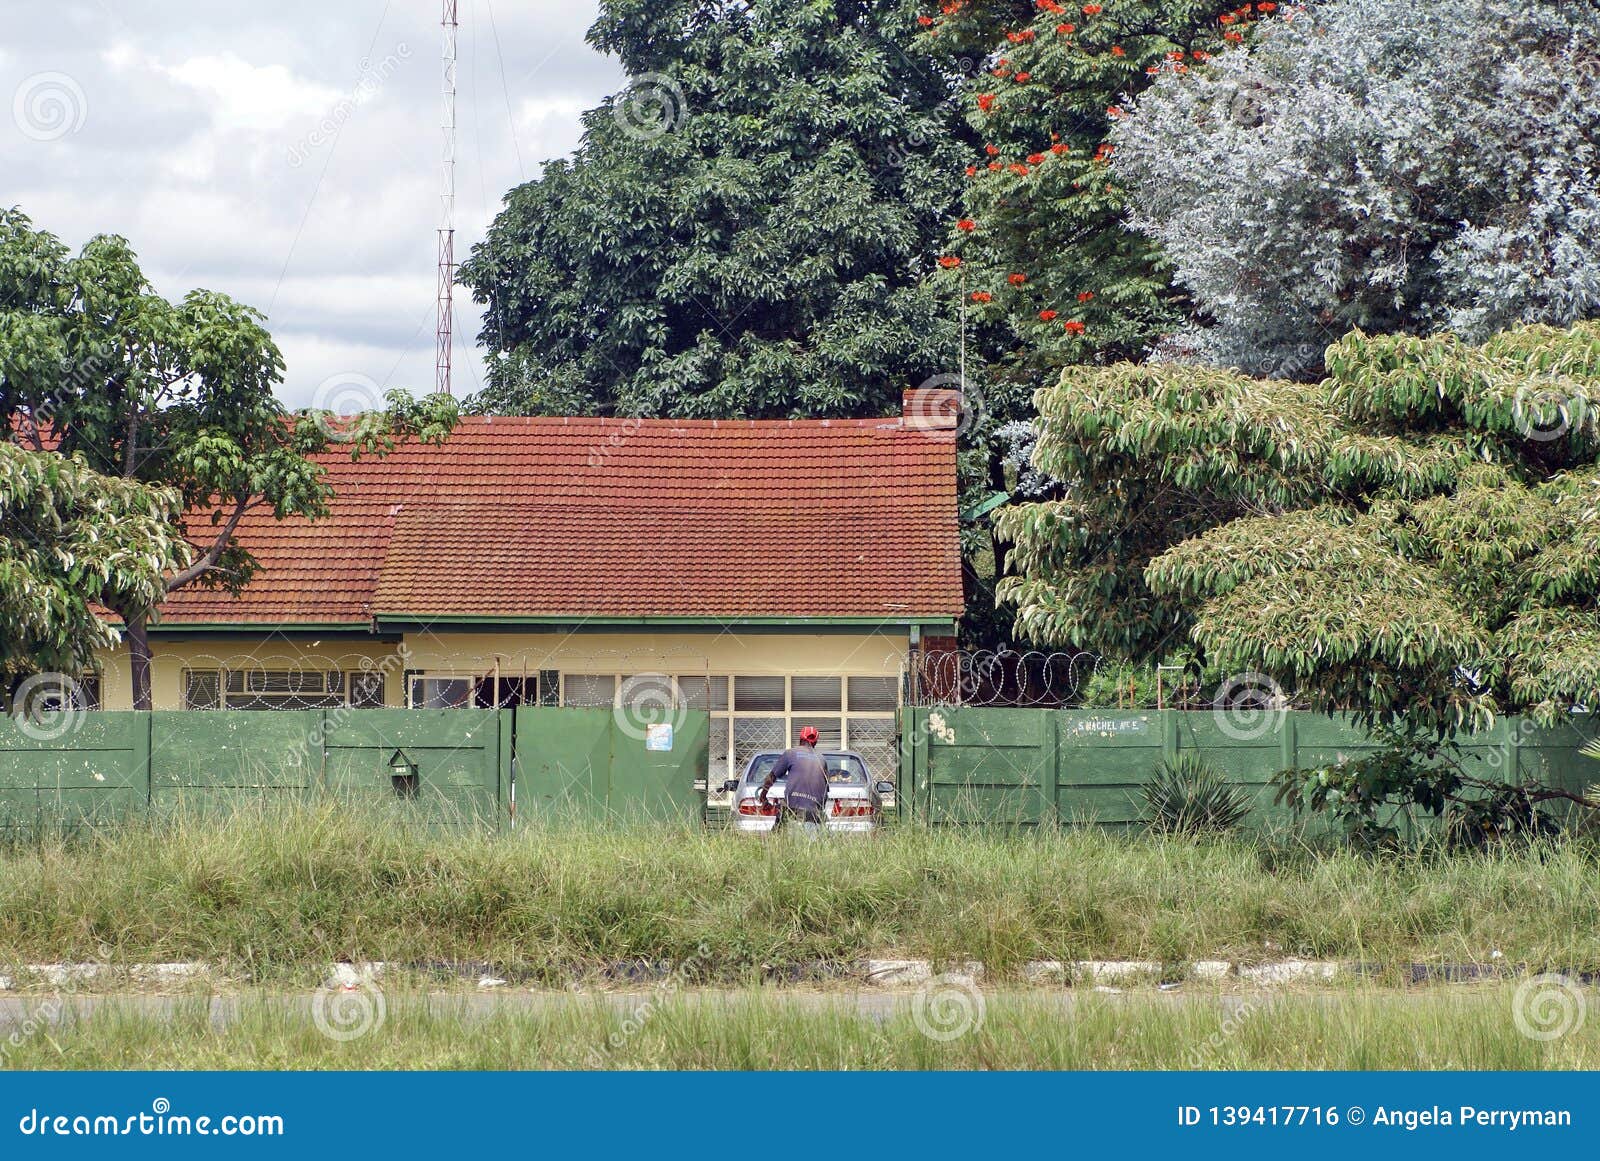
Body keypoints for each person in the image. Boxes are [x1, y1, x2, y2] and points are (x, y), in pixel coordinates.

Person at [759, 725, 830, 833]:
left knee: (777, 837)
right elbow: (825, 789)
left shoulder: (790, 753)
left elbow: (771, 777)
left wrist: (763, 795)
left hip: (792, 810)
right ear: (815, 742)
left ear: (800, 739)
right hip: (815, 814)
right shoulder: (822, 759)